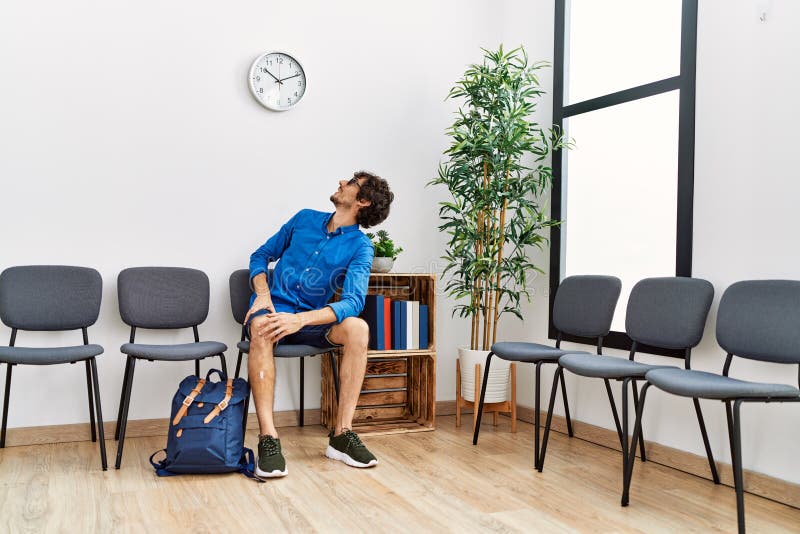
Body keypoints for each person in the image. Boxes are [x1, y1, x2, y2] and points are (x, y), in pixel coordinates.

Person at [244, 171, 394, 478]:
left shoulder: (361, 247)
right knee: (261, 327)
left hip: (309, 321)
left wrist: (299, 320)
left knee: (358, 328)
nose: (342, 182)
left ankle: (341, 434)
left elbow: (353, 302)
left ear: (362, 201)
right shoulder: (304, 219)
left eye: (351, 182)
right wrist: (262, 293)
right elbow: (261, 255)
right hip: (272, 312)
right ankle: (269, 439)